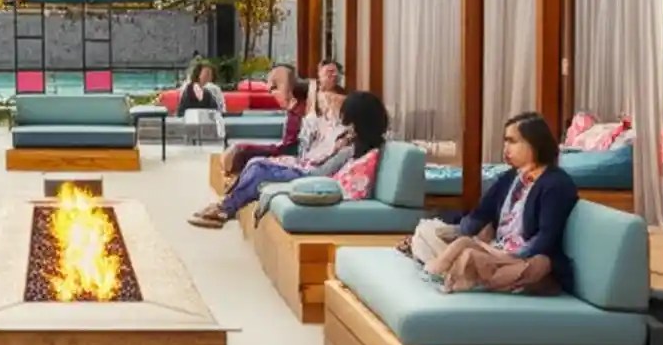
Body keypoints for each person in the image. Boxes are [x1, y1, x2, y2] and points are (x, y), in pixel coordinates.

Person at [424, 112, 578, 294]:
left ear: (534, 143)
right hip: (498, 249)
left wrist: (507, 256)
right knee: (428, 231)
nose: (506, 148)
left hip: (525, 258)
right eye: (505, 141)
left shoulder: (555, 184)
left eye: (512, 141)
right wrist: (456, 231)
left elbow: (546, 238)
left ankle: (453, 273)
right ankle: (462, 271)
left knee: (470, 251)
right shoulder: (511, 176)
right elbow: (481, 213)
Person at [189, 90, 389, 229]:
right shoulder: (353, 145)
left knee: (259, 168)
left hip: (312, 178)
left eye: (350, 123)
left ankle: (225, 210)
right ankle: (225, 206)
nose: (347, 127)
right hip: (310, 170)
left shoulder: (363, 153)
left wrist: (320, 160)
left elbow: (327, 175)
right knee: (255, 163)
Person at [220, 65, 306, 174]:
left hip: (297, 157)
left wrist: (243, 149)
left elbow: (289, 148)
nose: (272, 94)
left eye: (275, 87)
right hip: (291, 152)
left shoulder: (302, 110)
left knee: (238, 156)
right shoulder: (294, 110)